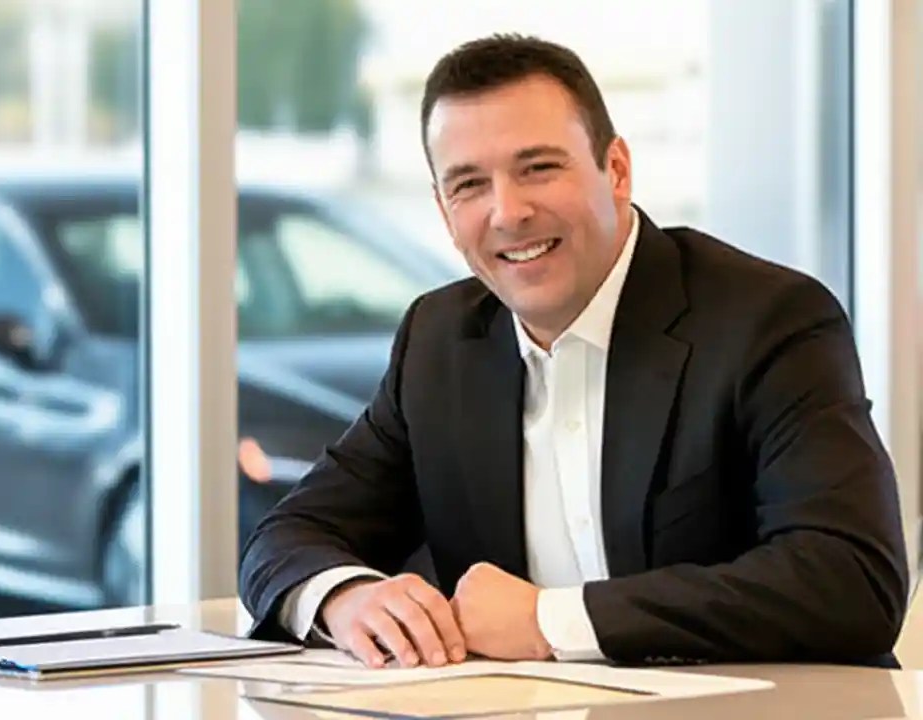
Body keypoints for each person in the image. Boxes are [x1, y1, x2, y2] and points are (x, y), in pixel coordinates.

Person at [238, 33, 908, 669]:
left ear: (615, 170)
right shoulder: (439, 342)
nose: (508, 212)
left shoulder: (767, 320)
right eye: (469, 184)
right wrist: (347, 598)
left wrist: (550, 623)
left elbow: (851, 577)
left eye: (538, 168)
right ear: (445, 212)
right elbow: (285, 537)